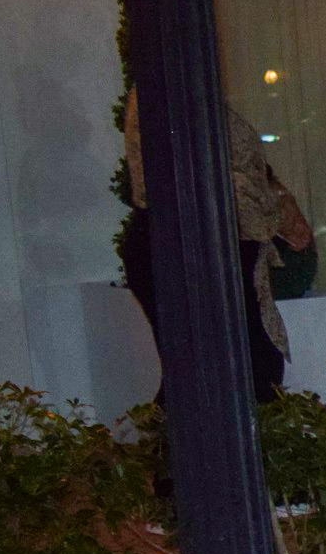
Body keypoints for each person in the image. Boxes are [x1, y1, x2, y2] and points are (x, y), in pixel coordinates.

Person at [120, 92, 311, 402]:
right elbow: (192, 174)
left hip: (209, 239)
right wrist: (273, 206)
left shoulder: (177, 89)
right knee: (224, 373)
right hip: (199, 242)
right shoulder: (169, 91)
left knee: (226, 370)